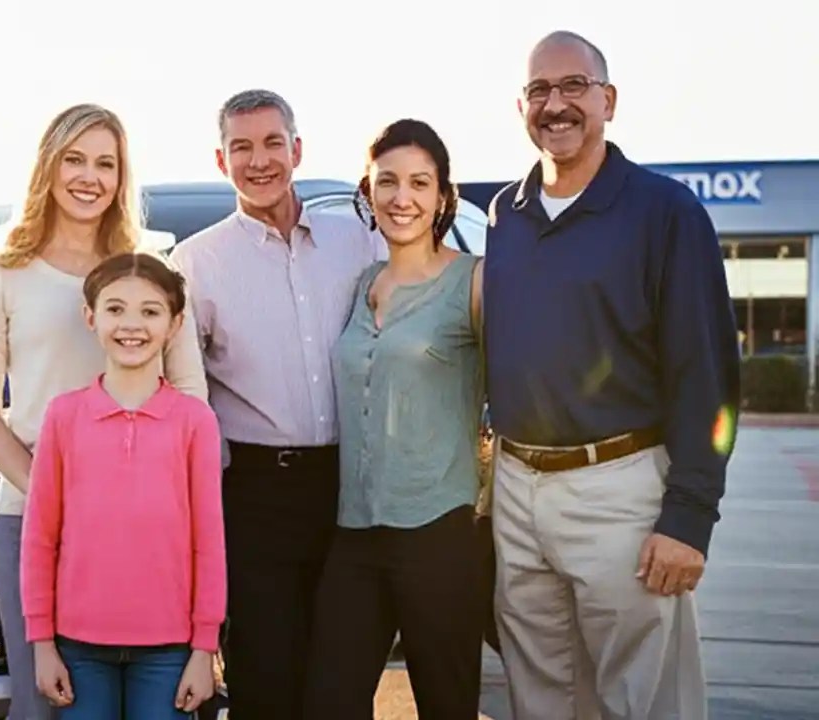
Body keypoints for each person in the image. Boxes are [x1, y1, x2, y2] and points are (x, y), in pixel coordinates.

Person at [484, 31, 740, 719]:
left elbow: (706, 371)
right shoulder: (505, 217)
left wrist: (689, 517)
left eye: (574, 87)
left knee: (647, 699)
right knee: (541, 695)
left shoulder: (666, 212)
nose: (556, 104)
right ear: (521, 106)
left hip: (620, 491)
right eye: (540, 90)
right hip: (517, 491)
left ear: (609, 100)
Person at [0, 103, 208, 720]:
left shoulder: (149, 272)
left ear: (122, 178)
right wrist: (52, 497)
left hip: (145, 535)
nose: (89, 177)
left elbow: (191, 396)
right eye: (75, 159)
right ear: (48, 167)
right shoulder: (0, 276)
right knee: (44, 705)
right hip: (29, 521)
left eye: (106, 163)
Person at [168, 89, 383, 719]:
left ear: (297, 148)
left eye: (271, 143)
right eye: (242, 147)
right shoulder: (196, 263)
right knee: (266, 680)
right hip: (253, 494)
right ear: (220, 159)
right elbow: (185, 389)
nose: (259, 161)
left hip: (349, 489)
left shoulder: (356, 243)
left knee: (343, 683)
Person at [302, 118, 486, 719]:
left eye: (419, 183)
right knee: (329, 702)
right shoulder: (360, 284)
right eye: (387, 182)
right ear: (369, 190)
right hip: (354, 533)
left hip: (438, 534)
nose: (401, 198)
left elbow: (524, 385)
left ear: (441, 196)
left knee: (446, 706)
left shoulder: (474, 282)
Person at [20, 253, 226, 720]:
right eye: (115, 309)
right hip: (78, 649)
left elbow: (208, 544)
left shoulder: (195, 421)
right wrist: (42, 643)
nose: (131, 324)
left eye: (150, 312)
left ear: (175, 325)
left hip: (169, 651)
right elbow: (40, 538)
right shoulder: (63, 416)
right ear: (90, 318)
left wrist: (203, 648)